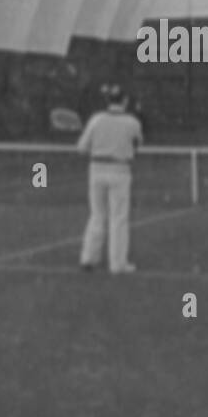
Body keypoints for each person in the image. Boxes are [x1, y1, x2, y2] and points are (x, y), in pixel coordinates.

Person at [77, 84, 143, 274]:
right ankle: (117, 263)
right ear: (125, 101)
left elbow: (82, 148)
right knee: (119, 218)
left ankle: (88, 257)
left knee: (97, 215)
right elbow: (138, 143)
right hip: (120, 170)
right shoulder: (132, 122)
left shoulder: (96, 120)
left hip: (96, 170)